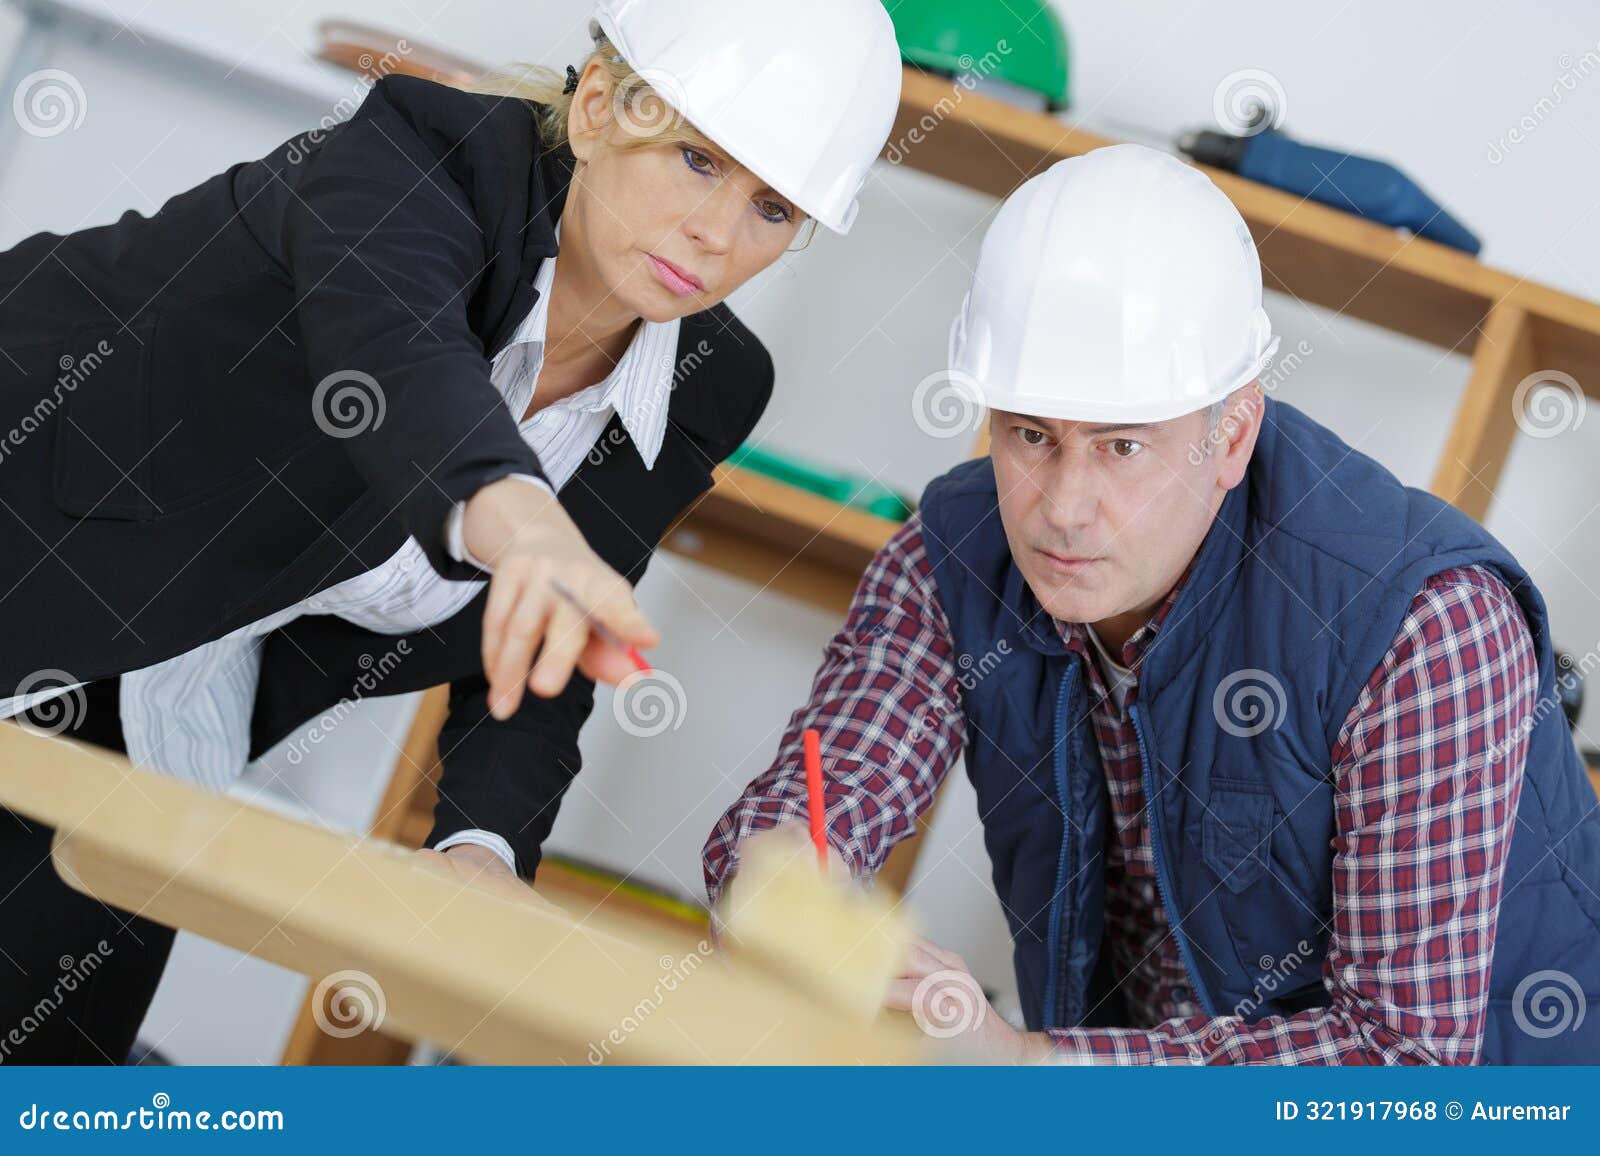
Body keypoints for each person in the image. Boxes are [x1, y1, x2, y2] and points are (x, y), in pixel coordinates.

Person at [0, 0, 902, 1063]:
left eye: (772, 209)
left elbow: (552, 644)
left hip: (151, 700)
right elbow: (394, 360)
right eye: (698, 161)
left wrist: (481, 850)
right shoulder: (420, 155)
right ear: (605, 107)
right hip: (31, 517)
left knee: (58, 1077)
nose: (717, 235)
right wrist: (518, 521)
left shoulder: (709, 384)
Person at [705, 144, 1600, 1065]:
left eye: (1122, 446)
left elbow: (1402, 1067)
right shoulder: (950, 560)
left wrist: (1029, 1068)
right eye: (1029, 434)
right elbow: (824, 795)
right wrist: (788, 891)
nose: (1062, 507)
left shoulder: (1423, 629)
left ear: (1231, 435)